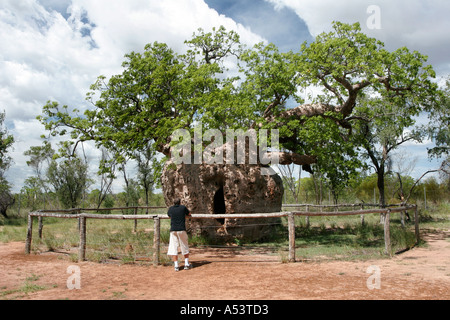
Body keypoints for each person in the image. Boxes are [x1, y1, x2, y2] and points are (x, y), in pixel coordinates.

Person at [167, 198, 192, 271]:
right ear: (180, 202)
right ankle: (186, 264)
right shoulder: (183, 207)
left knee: (173, 247)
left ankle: (176, 266)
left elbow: (169, 215)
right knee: (184, 245)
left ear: (173, 202)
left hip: (173, 230)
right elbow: (189, 214)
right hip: (181, 229)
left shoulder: (171, 209)